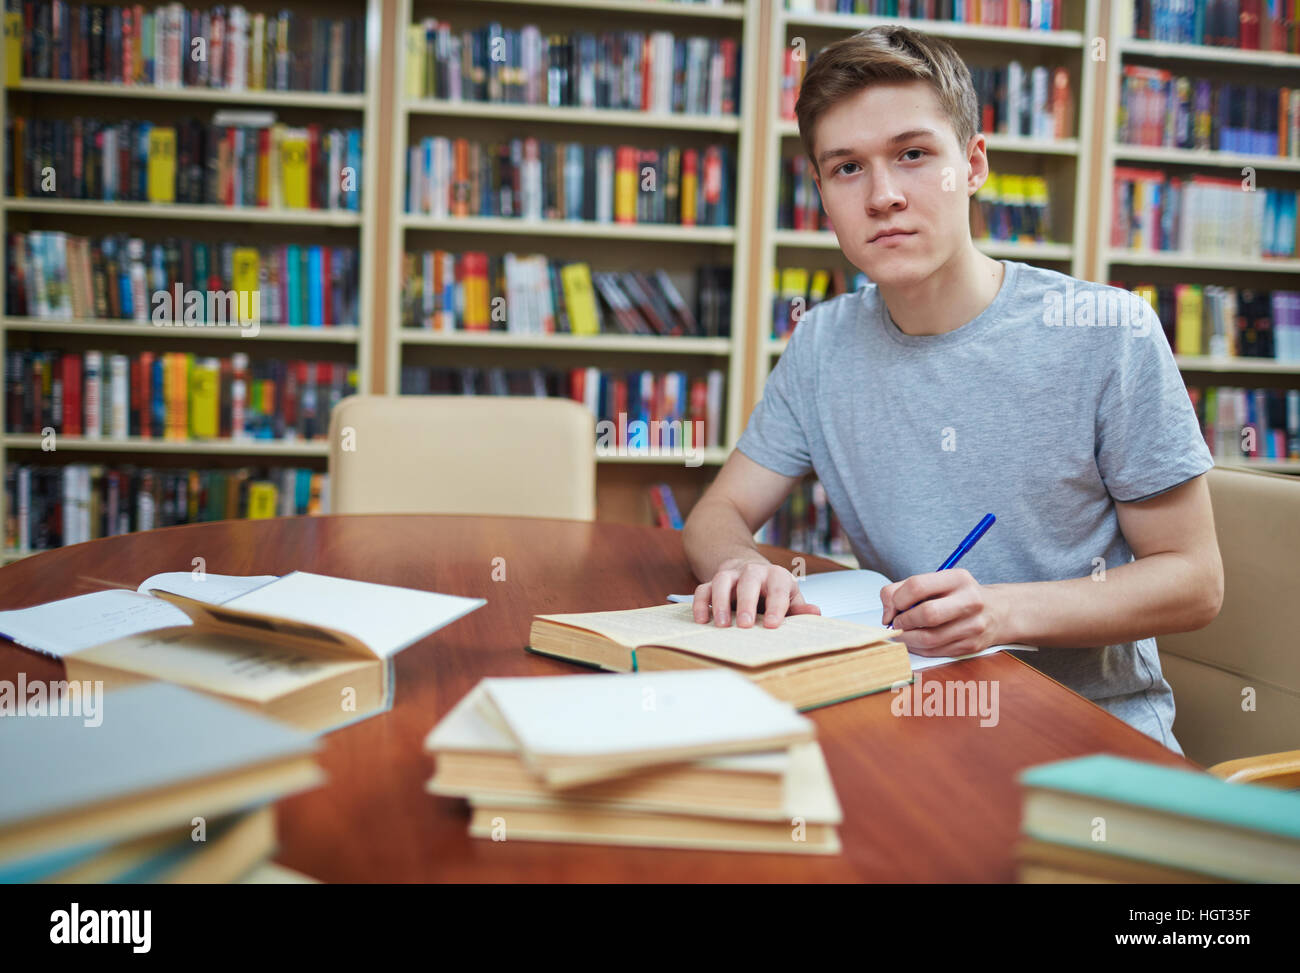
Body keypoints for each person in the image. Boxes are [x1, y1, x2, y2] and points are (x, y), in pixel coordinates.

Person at [681, 25, 1223, 753]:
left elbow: (1194, 581)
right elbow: (718, 511)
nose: (882, 197)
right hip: (905, 717)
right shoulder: (821, 343)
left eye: (913, 155)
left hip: (1087, 740)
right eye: (847, 168)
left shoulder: (1106, 330)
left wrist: (1002, 613)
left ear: (971, 166)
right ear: (820, 193)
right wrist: (739, 564)